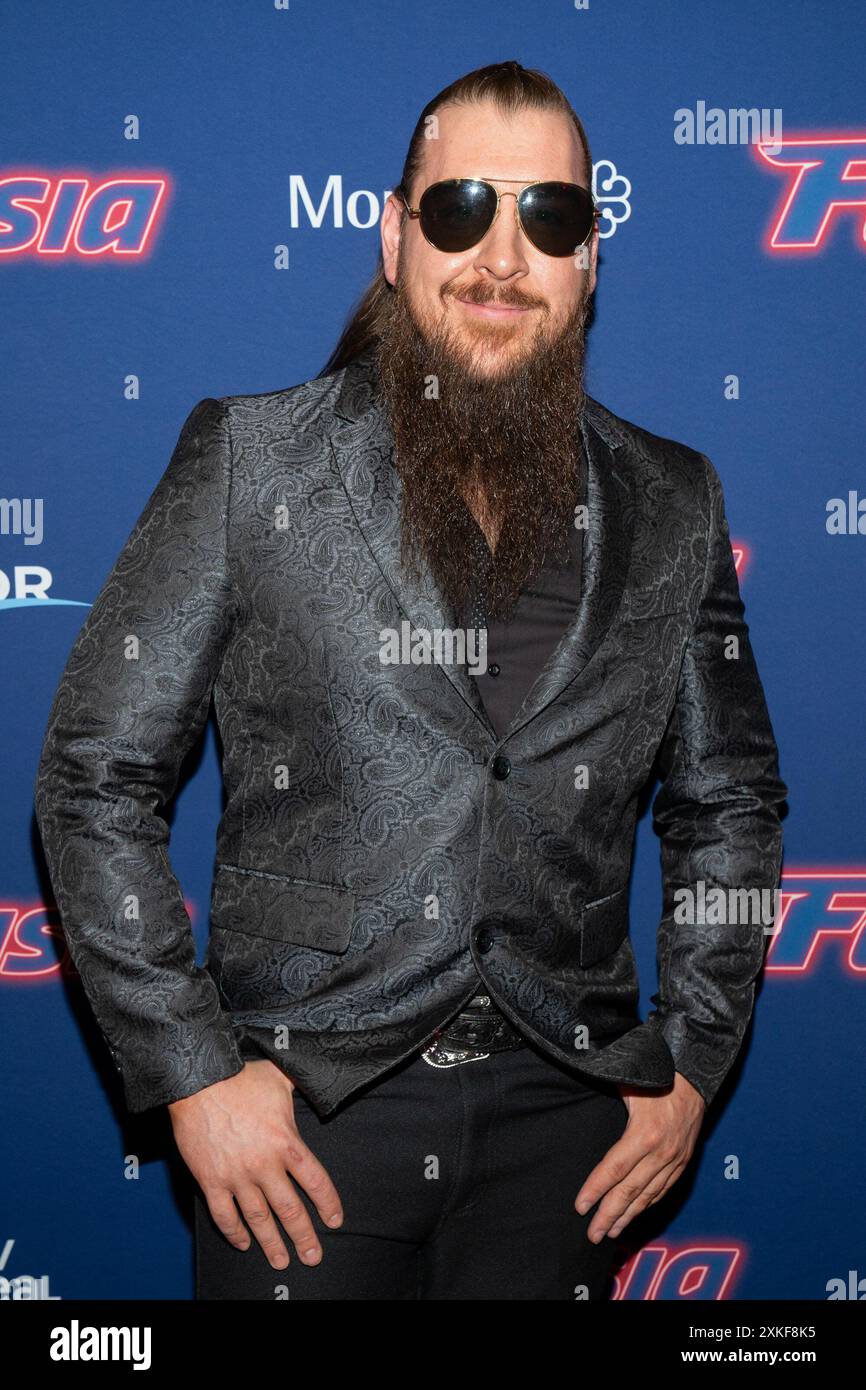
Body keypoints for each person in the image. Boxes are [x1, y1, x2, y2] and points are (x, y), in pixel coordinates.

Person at [34, 61, 787, 1301]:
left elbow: (731, 808)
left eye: (548, 218)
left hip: (569, 1136)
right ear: (393, 237)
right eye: (459, 210)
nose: (501, 256)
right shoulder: (250, 459)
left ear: (589, 258)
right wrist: (195, 1074)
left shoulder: (673, 500)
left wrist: (695, 1058)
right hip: (304, 1131)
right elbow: (92, 781)